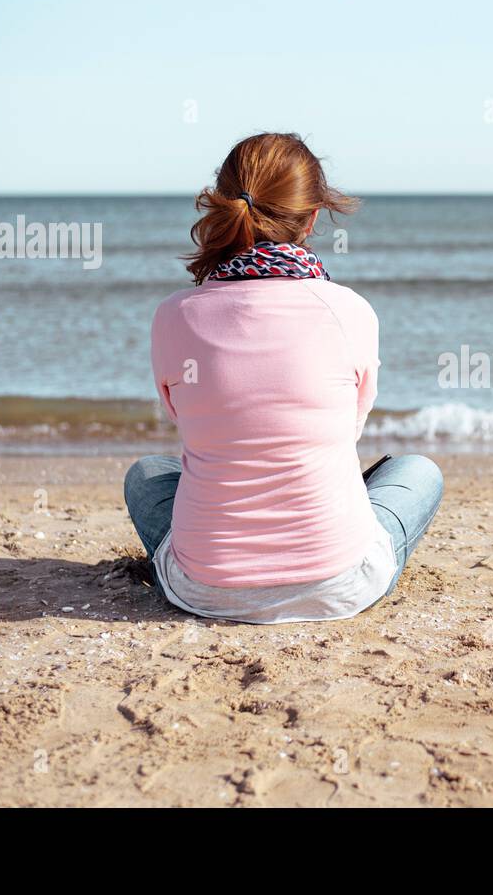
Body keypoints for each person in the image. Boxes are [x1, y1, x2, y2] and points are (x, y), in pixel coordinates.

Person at [123, 132, 442, 624]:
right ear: (313, 216)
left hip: (202, 588)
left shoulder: (174, 315)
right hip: (338, 584)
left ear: (223, 206)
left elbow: (184, 421)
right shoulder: (349, 312)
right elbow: (349, 426)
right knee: (420, 472)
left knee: (147, 473)